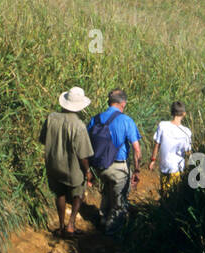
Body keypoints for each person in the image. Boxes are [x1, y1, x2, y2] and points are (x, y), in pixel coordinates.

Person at [39, 87, 94, 236]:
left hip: (54, 165)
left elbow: (43, 140)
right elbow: (83, 155)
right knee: (78, 194)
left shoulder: (51, 118)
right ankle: (71, 225)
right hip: (73, 168)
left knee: (60, 194)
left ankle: (61, 225)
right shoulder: (79, 126)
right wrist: (88, 172)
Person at [87, 89, 141, 234]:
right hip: (118, 168)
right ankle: (112, 234)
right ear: (123, 103)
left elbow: (86, 144)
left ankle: (102, 220)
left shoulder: (95, 119)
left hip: (100, 167)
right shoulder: (126, 120)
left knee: (106, 192)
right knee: (119, 202)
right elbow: (137, 150)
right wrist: (136, 170)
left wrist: (88, 169)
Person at [148, 100, 192, 196]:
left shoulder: (162, 125)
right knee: (173, 194)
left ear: (171, 112)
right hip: (177, 168)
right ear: (184, 114)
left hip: (164, 166)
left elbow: (157, 144)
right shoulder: (186, 132)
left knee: (164, 192)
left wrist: (153, 160)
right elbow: (188, 152)